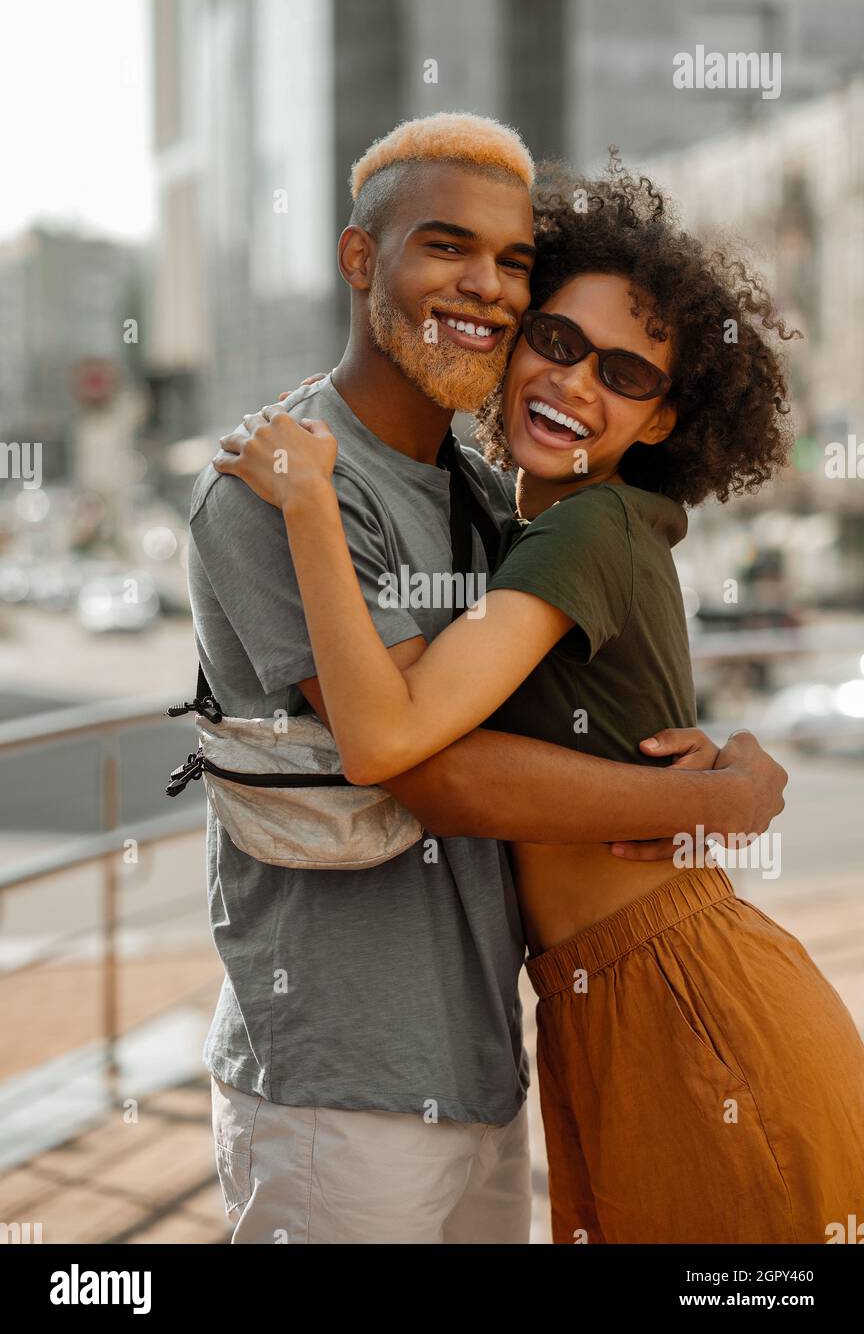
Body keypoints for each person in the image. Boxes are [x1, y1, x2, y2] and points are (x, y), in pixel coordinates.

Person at [216, 151, 864, 1245]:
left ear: (660, 422)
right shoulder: (524, 520)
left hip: (682, 1000)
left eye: (626, 373)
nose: (575, 383)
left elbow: (386, 737)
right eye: (558, 341)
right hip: (605, 1002)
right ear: (515, 341)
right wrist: (722, 789)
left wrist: (312, 504)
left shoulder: (588, 527)